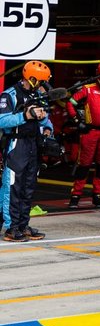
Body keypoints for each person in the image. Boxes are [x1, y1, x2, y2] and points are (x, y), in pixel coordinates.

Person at [0, 61, 53, 242]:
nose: (43, 85)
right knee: (12, 187)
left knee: (28, 187)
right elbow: (2, 120)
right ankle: (11, 227)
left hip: (34, 145)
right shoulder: (9, 95)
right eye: (41, 81)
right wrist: (25, 115)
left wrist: (48, 128)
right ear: (32, 79)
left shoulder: (38, 95)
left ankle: (23, 225)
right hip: (17, 144)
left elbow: (46, 118)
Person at [68, 60, 100, 209]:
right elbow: (70, 103)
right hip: (89, 132)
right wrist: (78, 122)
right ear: (99, 75)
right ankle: (75, 196)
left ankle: (97, 196)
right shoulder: (88, 89)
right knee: (83, 165)